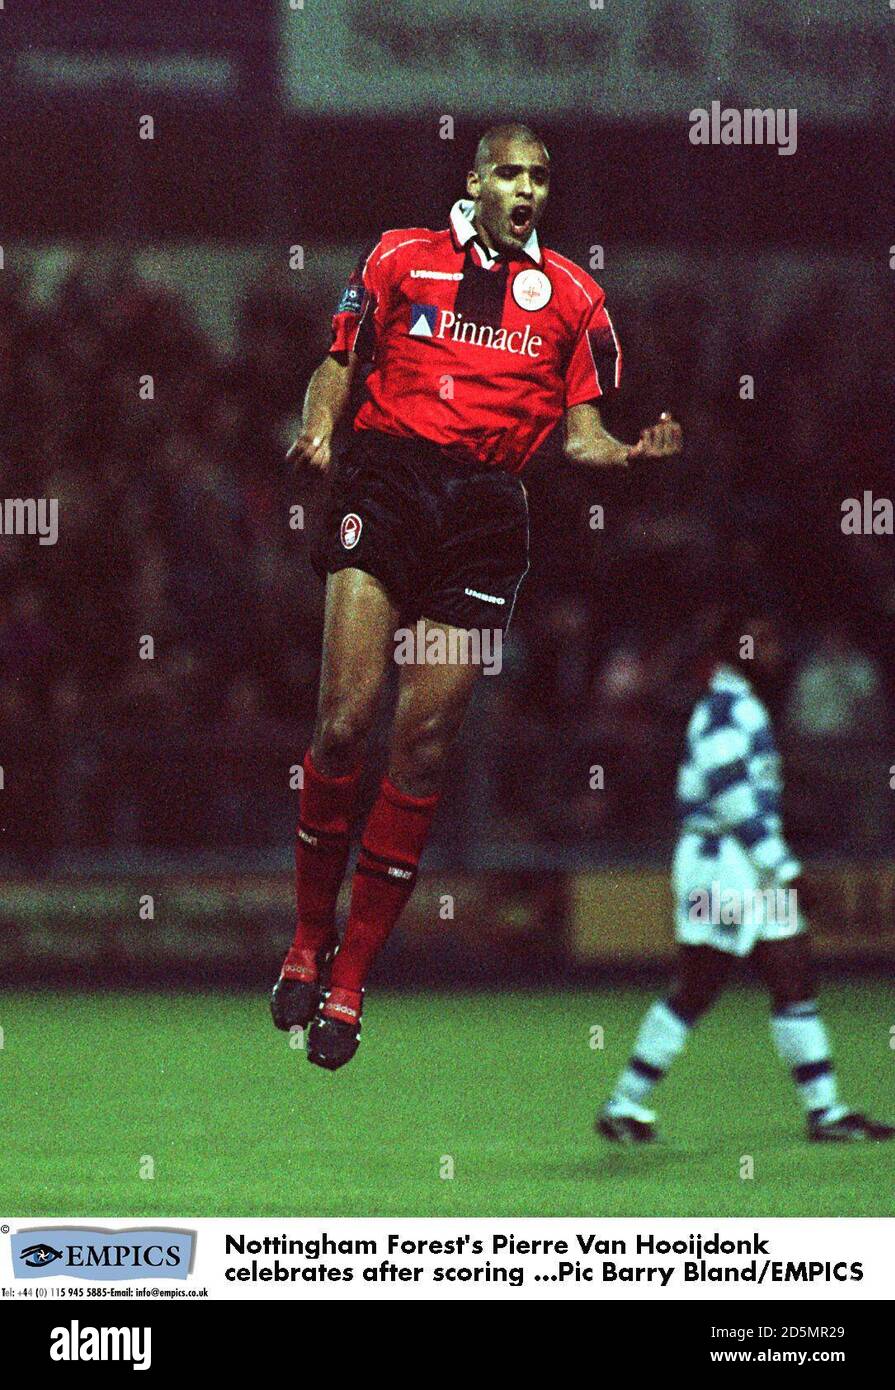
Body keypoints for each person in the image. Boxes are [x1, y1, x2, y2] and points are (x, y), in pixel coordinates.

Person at [272, 122, 682, 1070]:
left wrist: (626, 454)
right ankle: (304, 935)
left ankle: (351, 978)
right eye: (508, 172)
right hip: (384, 480)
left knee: (422, 745)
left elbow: (579, 436)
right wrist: (321, 431)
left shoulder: (575, 298)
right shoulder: (398, 258)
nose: (525, 188)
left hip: (487, 515)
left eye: (539, 176)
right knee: (344, 722)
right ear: (474, 179)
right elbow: (340, 358)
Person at [597, 609, 894, 1143]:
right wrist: (784, 866)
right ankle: (624, 1102)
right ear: (738, 650)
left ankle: (825, 1110)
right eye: (763, 640)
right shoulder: (725, 706)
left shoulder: (742, 705)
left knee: (792, 973)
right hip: (722, 867)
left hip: (743, 867)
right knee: (699, 985)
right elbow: (733, 798)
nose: (775, 650)